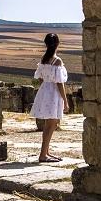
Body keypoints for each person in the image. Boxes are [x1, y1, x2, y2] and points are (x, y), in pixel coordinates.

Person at [31, 33, 69, 162]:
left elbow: (40, 77)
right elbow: (59, 83)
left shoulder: (43, 59)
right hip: (53, 93)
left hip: (44, 91)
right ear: (57, 44)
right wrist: (65, 100)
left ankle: (46, 152)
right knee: (51, 125)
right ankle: (43, 155)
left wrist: (45, 89)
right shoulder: (57, 61)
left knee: (48, 124)